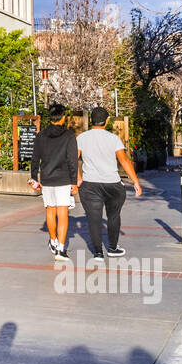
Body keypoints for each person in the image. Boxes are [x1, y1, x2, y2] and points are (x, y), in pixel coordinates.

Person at [77, 106, 143, 262]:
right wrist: (135, 181)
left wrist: (78, 178)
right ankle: (113, 248)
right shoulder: (113, 138)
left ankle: (98, 252)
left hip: (90, 184)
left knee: (94, 218)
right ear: (106, 121)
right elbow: (124, 160)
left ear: (91, 120)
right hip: (112, 184)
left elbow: (73, 159)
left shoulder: (81, 138)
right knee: (113, 216)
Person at [29, 104, 78, 262]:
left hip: (47, 179)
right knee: (62, 212)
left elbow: (35, 158)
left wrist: (33, 177)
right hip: (63, 179)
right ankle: (61, 249)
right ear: (63, 117)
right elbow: (72, 161)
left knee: (50, 210)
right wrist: (74, 182)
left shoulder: (41, 135)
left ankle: (53, 241)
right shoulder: (69, 136)